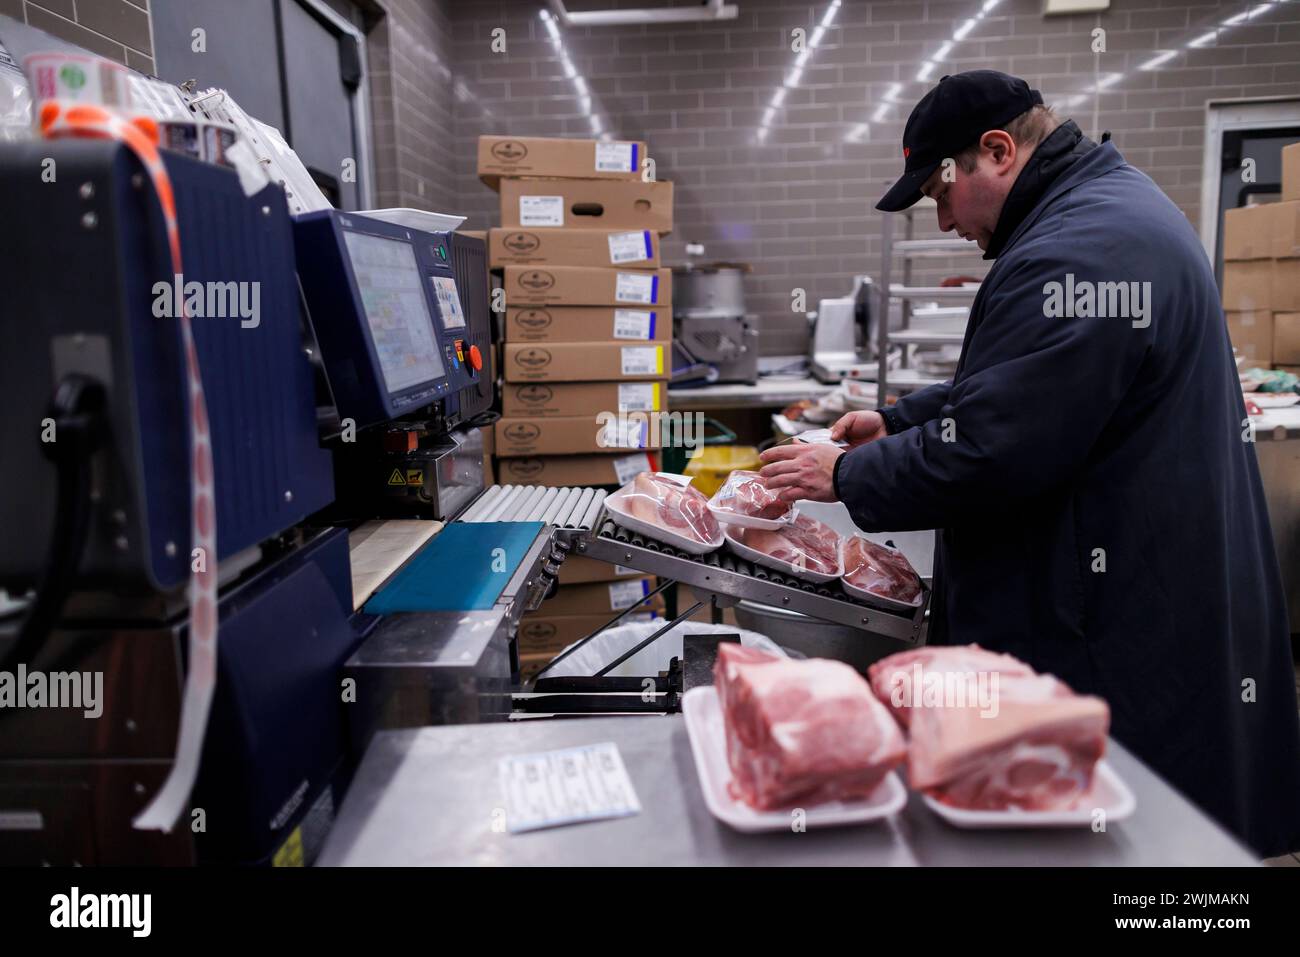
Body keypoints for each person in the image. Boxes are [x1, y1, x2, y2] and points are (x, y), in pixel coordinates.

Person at [760, 70, 1300, 857]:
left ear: (997, 151)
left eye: (941, 194)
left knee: (1129, 843)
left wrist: (841, 476)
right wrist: (902, 417)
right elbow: (1034, 381)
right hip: (1141, 577)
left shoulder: (1080, 250)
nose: (943, 221)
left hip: (1120, 614)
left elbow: (992, 449)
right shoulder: (1102, 210)